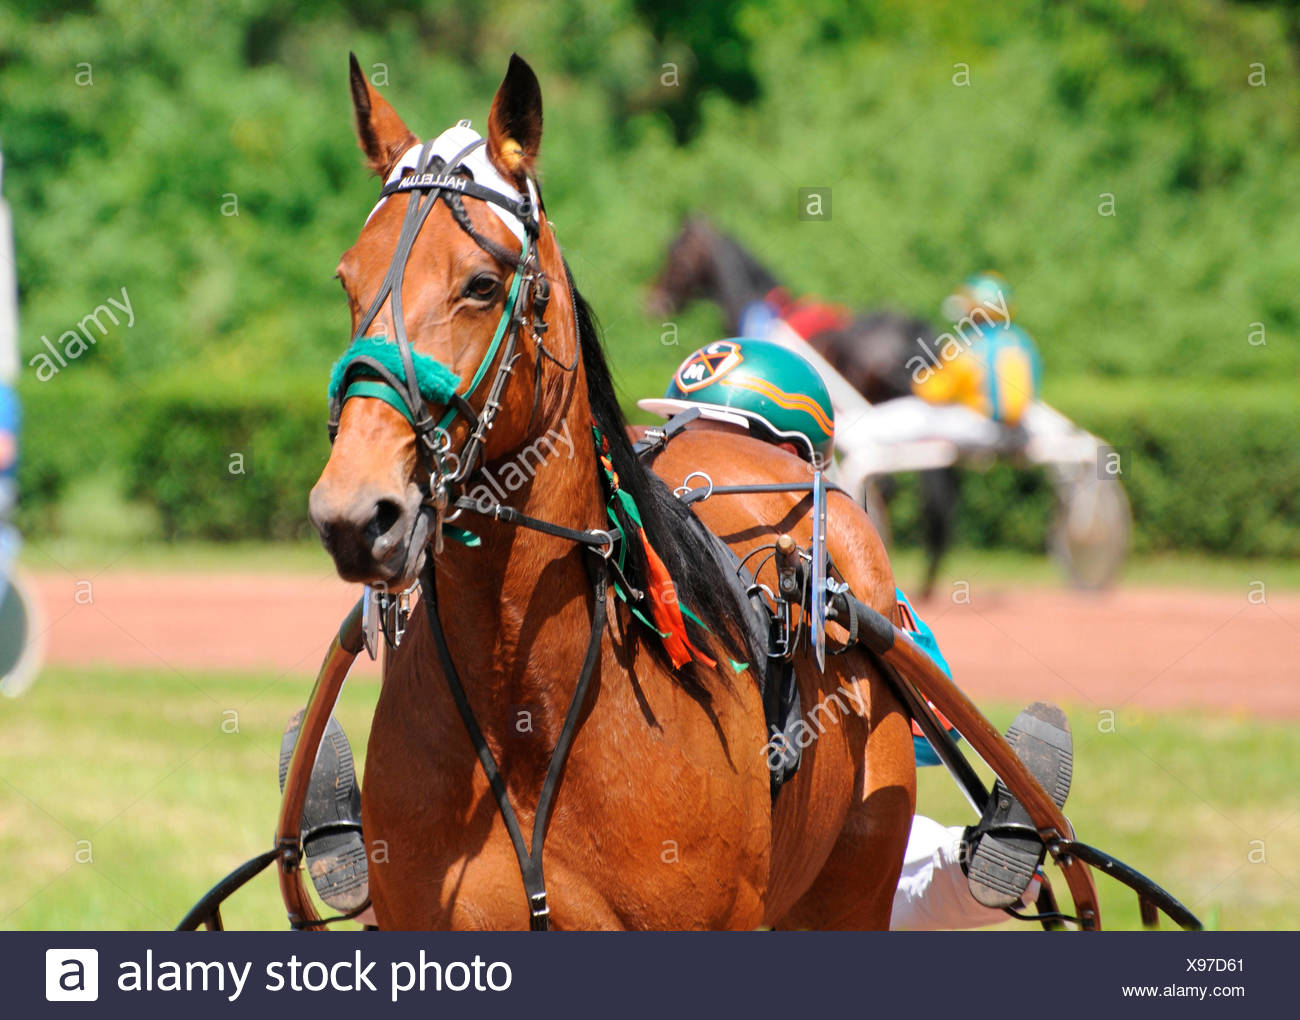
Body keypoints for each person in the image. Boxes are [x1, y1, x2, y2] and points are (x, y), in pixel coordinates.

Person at [639, 337, 1073, 929]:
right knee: (864, 814)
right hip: (771, 824)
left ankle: (966, 867)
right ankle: (965, 866)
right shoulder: (821, 541)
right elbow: (926, 728)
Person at [916, 271, 1043, 429]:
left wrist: (914, 383)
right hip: (1021, 425)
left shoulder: (965, 345)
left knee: (913, 412)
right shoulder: (1021, 340)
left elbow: (934, 392)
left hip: (985, 426)